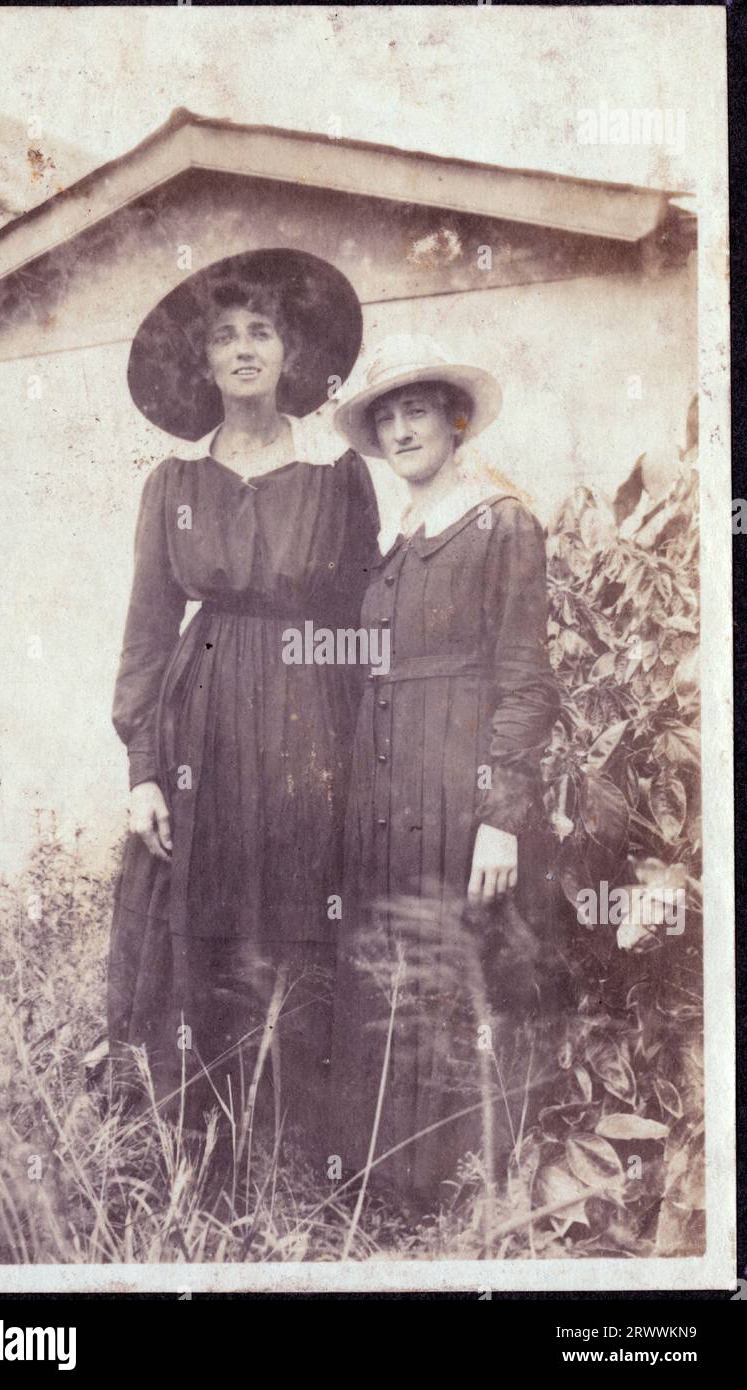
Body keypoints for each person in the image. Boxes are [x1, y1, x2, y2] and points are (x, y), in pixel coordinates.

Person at [109, 249, 378, 1165]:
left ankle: (307, 1154)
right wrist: (143, 770)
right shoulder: (173, 487)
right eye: (224, 337)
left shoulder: (339, 474)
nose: (243, 350)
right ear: (205, 364)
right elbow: (147, 633)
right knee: (209, 920)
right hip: (206, 719)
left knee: (310, 916)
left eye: (260, 331)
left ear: (291, 349)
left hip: (314, 714)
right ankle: (207, 1153)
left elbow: (364, 619)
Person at [330, 336, 560, 1211]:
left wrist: (502, 813)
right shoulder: (398, 542)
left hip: (459, 787)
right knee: (394, 967)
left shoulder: (501, 521)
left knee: (456, 967)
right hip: (387, 790)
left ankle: (465, 1195)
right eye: (385, 417)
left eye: (415, 410)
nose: (400, 429)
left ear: (453, 421)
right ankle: (389, 1193)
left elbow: (527, 678)